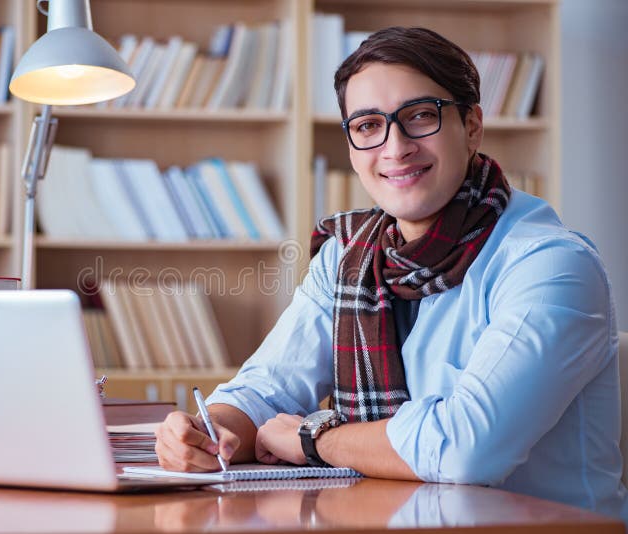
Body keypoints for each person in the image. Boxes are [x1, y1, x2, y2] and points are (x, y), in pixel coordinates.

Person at [154, 26, 625, 514]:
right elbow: (265, 390)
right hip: (385, 517)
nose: (395, 148)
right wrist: (209, 433)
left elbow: (464, 450)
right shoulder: (346, 258)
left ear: (472, 126)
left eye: (421, 116)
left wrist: (316, 437)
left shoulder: (551, 264)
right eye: (367, 126)